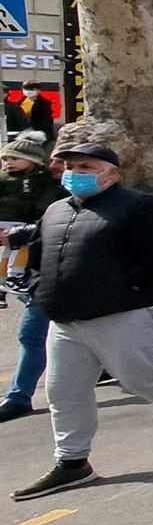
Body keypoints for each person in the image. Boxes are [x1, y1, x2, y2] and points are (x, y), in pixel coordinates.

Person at [10, 129, 153, 501]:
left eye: (86, 167)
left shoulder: (139, 206)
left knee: (139, 377)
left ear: (112, 174)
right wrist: (42, 288)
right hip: (65, 318)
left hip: (123, 312)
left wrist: (127, 285)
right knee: (63, 389)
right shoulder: (56, 210)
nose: (75, 173)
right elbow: (40, 254)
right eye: (70, 166)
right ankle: (73, 461)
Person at [0, 132, 62, 421]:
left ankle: (19, 397)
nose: (58, 166)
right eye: (57, 159)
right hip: (30, 272)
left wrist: (19, 234)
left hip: (53, 273)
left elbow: (49, 224)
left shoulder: (57, 192)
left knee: (32, 333)